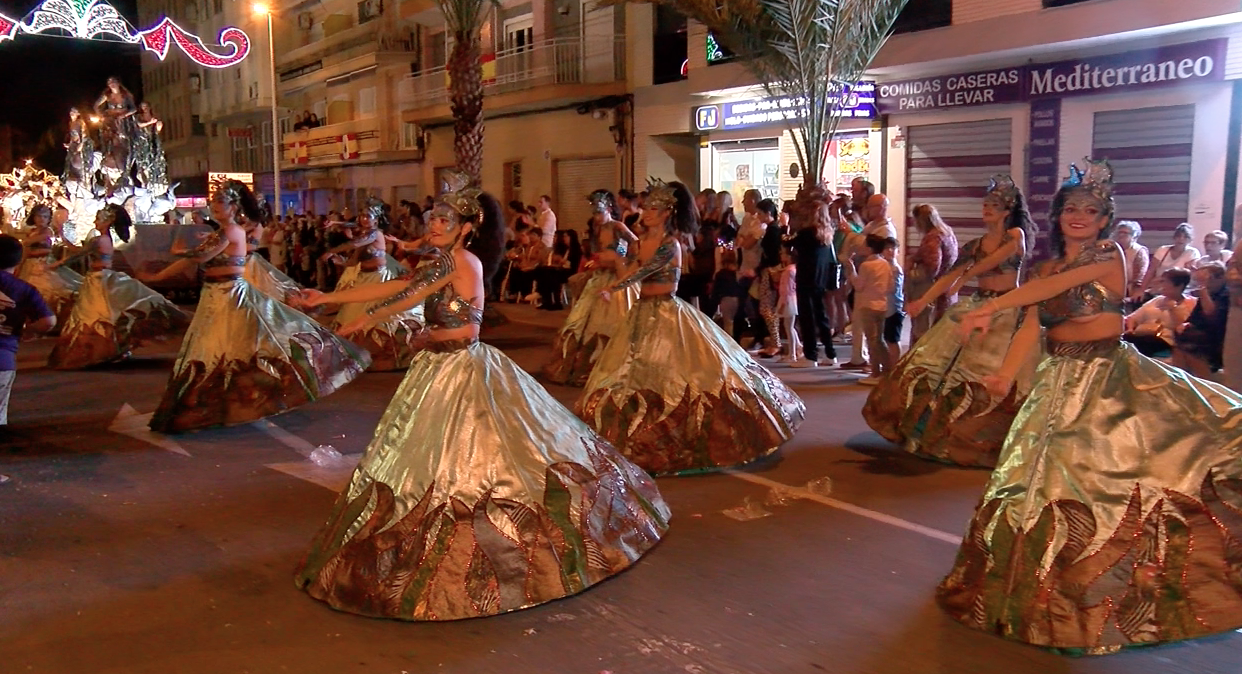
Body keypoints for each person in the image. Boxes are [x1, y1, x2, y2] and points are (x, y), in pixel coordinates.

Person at [292, 171, 669, 620]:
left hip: (459, 368)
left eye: (444, 220)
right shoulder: (443, 261)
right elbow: (399, 285)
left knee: (476, 461)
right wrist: (326, 299)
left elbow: (411, 297)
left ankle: (491, 548)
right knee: (432, 462)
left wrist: (360, 319)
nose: (433, 225)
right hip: (437, 366)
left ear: (466, 228)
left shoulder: (462, 262)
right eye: (433, 218)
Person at [942, 158, 1242, 653]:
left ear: (1105, 220)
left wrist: (991, 306)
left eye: (1090, 210)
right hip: (1055, 380)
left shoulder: (1108, 255)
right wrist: (1004, 375)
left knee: (1095, 485)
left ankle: (1091, 599)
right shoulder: (1045, 267)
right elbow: (1033, 322)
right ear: (1058, 216)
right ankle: (1033, 596)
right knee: (1030, 487)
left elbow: (1044, 291)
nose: (1079, 217)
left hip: (1104, 378)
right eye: (1071, 209)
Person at [576, 179, 804, 475]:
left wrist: (619, 284)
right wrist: (611, 276)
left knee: (676, 373)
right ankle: (634, 433)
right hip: (641, 311)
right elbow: (631, 264)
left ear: (667, 213)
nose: (646, 213)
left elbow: (648, 271)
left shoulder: (670, 245)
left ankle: (674, 435)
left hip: (665, 311)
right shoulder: (639, 241)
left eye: (653, 209)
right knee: (630, 373)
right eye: (646, 208)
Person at [144, 180, 370, 432]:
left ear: (234, 207)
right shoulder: (223, 232)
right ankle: (225, 401)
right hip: (215, 294)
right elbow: (198, 255)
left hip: (230, 294)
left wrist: (170, 260)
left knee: (226, 347)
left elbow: (198, 257)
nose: (215, 206)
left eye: (221, 202)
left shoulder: (231, 231)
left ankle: (239, 398)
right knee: (221, 349)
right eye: (214, 202)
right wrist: (165, 270)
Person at [862, 175, 1038, 468]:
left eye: (994, 205)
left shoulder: (1015, 236)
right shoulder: (975, 244)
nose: (987, 209)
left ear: (1007, 211)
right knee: (937, 367)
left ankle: (988, 440)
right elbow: (948, 276)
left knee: (992, 371)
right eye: (985, 204)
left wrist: (968, 275)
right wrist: (923, 300)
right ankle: (933, 435)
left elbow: (994, 260)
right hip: (978, 304)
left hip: (1007, 307)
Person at [47, 205, 188, 369]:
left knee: (93, 314)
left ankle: (94, 352)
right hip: (103, 276)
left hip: (97, 279)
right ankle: (108, 348)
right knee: (103, 313)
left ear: (107, 222)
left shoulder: (98, 240)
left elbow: (77, 254)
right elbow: (78, 251)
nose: (94, 222)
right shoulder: (106, 238)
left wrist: (56, 262)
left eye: (98, 219)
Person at [543, 190, 637, 386]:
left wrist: (619, 258)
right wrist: (598, 262)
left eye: (599, 212)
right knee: (579, 323)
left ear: (608, 209)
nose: (597, 217)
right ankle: (577, 368)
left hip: (615, 279)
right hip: (599, 277)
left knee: (608, 325)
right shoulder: (597, 228)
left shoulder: (618, 226)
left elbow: (635, 245)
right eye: (594, 213)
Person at [323, 198, 425, 371]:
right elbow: (354, 257)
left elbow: (354, 242)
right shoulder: (364, 233)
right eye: (362, 216)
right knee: (351, 316)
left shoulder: (374, 234)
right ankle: (354, 355)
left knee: (379, 319)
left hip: (379, 278)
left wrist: (331, 251)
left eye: (368, 216)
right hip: (363, 278)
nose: (364, 219)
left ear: (376, 220)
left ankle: (384, 356)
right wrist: (341, 260)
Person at [0, 235, 57, 428]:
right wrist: (28, 330)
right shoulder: (24, 289)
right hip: (3, 359)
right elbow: (48, 321)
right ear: (18, 261)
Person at [788, 185, 840, 368]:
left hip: (806, 277)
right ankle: (830, 353)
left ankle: (810, 355)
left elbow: (789, 244)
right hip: (820, 279)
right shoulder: (827, 235)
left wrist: (786, 228)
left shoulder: (806, 234)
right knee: (821, 316)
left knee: (807, 317)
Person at [16, 204, 81, 328]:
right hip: (29, 265)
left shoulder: (48, 231)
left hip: (43, 264)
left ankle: (49, 322)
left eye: (45, 217)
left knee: (48, 291)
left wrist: (25, 246)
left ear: (49, 219)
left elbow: (28, 244)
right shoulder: (32, 232)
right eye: (39, 216)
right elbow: (25, 248)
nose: (42, 219)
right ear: (34, 217)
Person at [904, 204, 958, 343]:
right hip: (948, 287)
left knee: (926, 334)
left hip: (933, 292)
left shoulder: (933, 237)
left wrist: (911, 273)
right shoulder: (947, 231)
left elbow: (933, 267)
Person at [1123, 267, 1195, 358]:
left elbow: (1182, 327)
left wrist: (1173, 309)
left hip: (1165, 339)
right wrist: (1130, 329)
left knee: (1137, 344)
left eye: (1165, 282)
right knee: (1122, 339)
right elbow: (1133, 317)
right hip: (1142, 333)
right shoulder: (1158, 299)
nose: (1162, 285)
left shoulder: (1190, 303)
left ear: (1179, 285)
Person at [1173, 261, 1228, 378]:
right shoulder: (1208, 293)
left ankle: (1204, 378)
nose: (1201, 284)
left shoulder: (1226, 294)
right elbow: (1194, 317)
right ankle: (1180, 378)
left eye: (1205, 280)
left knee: (1193, 343)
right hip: (1202, 333)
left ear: (1219, 278)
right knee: (1182, 336)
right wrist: (1186, 324)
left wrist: (1203, 290)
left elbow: (1211, 314)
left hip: (1219, 336)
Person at [1139, 222, 1200, 297]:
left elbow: (1187, 275)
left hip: (1180, 289)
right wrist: (1141, 290)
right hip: (1158, 286)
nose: (1181, 239)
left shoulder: (1192, 252)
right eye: (1178, 236)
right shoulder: (1162, 249)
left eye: (1185, 237)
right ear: (1174, 237)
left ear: (1190, 239)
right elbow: (1151, 271)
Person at [1111, 220, 1150, 310]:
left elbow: (1141, 275)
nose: (1121, 235)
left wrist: (1136, 292)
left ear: (1134, 236)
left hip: (1131, 289)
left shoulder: (1139, 251)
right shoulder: (1111, 249)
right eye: (1119, 232)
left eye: (1125, 233)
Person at [132, 101, 168, 190]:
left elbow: (158, 127)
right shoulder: (138, 117)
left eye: (146, 106)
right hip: (142, 141)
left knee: (156, 154)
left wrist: (158, 127)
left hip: (152, 139)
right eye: (143, 107)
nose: (145, 108)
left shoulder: (154, 116)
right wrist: (150, 122)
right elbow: (139, 125)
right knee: (143, 159)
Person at [775, 244, 800, 363]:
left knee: (789, 327)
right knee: (790, 326)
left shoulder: (788, 271)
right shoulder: (793, 269)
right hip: (791, 299)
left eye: (783, 253)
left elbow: (786, 289)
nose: (781, 255)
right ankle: (797, 348)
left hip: (788, 300)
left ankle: (792, 354)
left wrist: (783, 304)